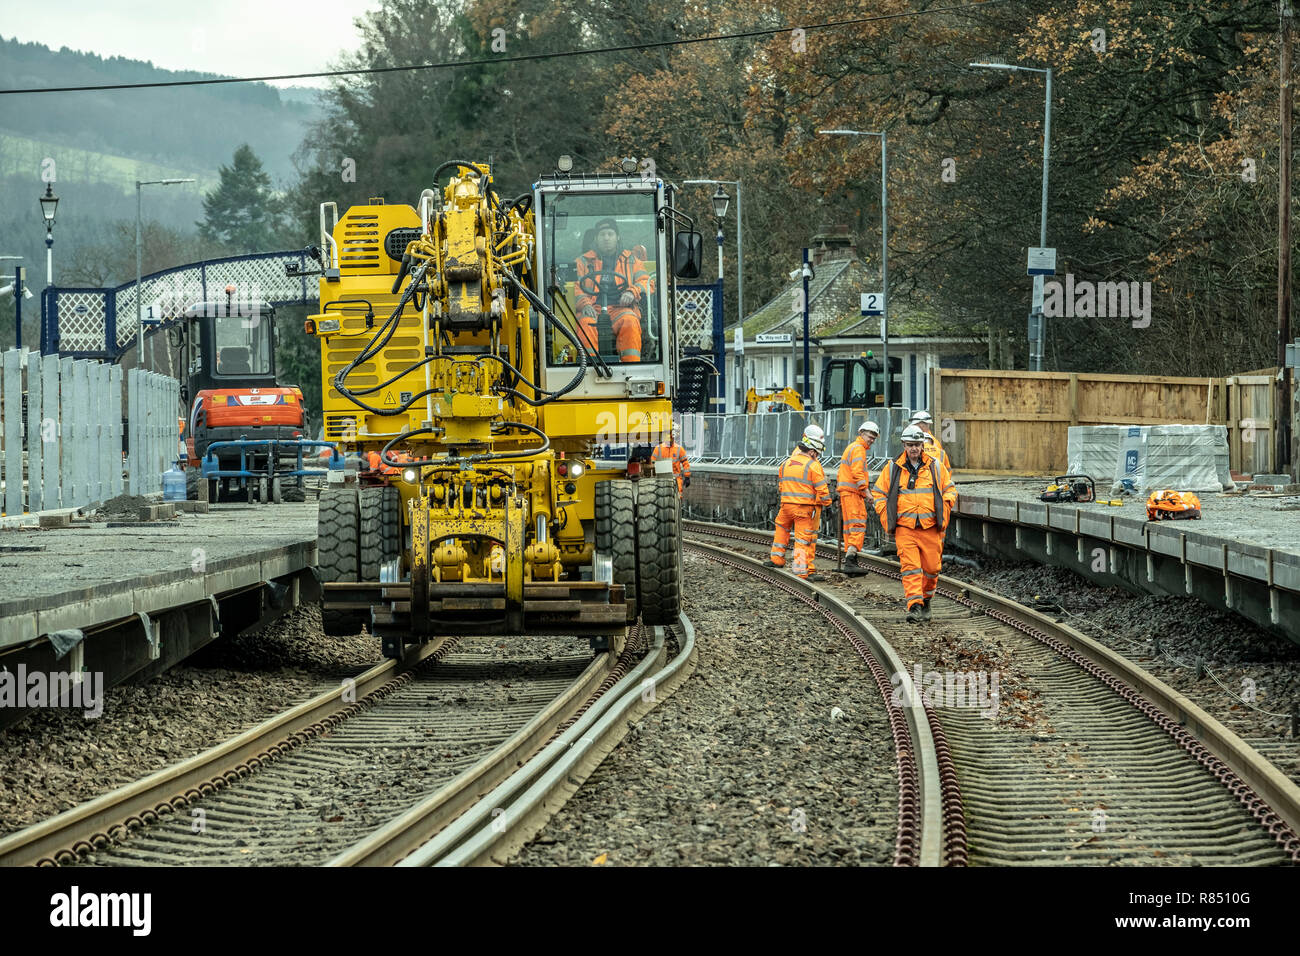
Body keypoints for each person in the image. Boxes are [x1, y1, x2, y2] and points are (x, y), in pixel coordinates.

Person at [872, 424, 958, 623]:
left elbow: (950, 490)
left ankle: (926, 600)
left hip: (930, 527)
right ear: (904, 445)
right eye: (910, 445)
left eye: (917, 445)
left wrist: (944, 510)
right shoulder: (893, 468)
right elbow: (878, 493)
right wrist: (887, 517)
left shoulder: (935, 466)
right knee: (910, 569)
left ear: (922, 445)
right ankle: (915, 606)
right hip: (905, 529)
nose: (914, 449)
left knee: (932, 569)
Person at [574, 218, 654, 363]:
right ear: (596, 238)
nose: (606, 238)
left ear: (617, 237)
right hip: (594, 309)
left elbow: (647, 282)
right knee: (585, 323)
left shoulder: (631, 260)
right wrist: (585, 304)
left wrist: (631, 292)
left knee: (630, 322)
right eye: (602, 234)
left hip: (621, 308)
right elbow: (576, 287)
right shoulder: (582, 261)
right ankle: (589, 369)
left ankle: (631, 367)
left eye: (610, 234)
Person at [771, 424, 832, 581]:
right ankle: (800, 571)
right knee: (802, 540)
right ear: (811, 451)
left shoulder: (786, 463)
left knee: (781, 531)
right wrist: (828, 504)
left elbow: (781, 485)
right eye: (817, 453)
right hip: (803, 509)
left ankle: (777, 559)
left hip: (785, 506)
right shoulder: (812, 466)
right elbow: (822, 490)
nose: (817, 456)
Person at [838, 419, 879, 564]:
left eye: (874, 438)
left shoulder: (853, 447)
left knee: (850, 526)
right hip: (852, 493)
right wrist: (866, 492)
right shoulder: (858, 449)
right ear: (861, 433)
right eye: (870, 436)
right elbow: (857, 473)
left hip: (848, 492)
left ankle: (850, 557)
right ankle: (851, 556)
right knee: (858, 523)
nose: (872, 440)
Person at [650, 421, 691, 495]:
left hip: (676, 480)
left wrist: (687, 477)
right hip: (661, 480)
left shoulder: (679, 449)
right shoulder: (658, 448)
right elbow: (652, 463)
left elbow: (685, 463)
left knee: (677, 497)